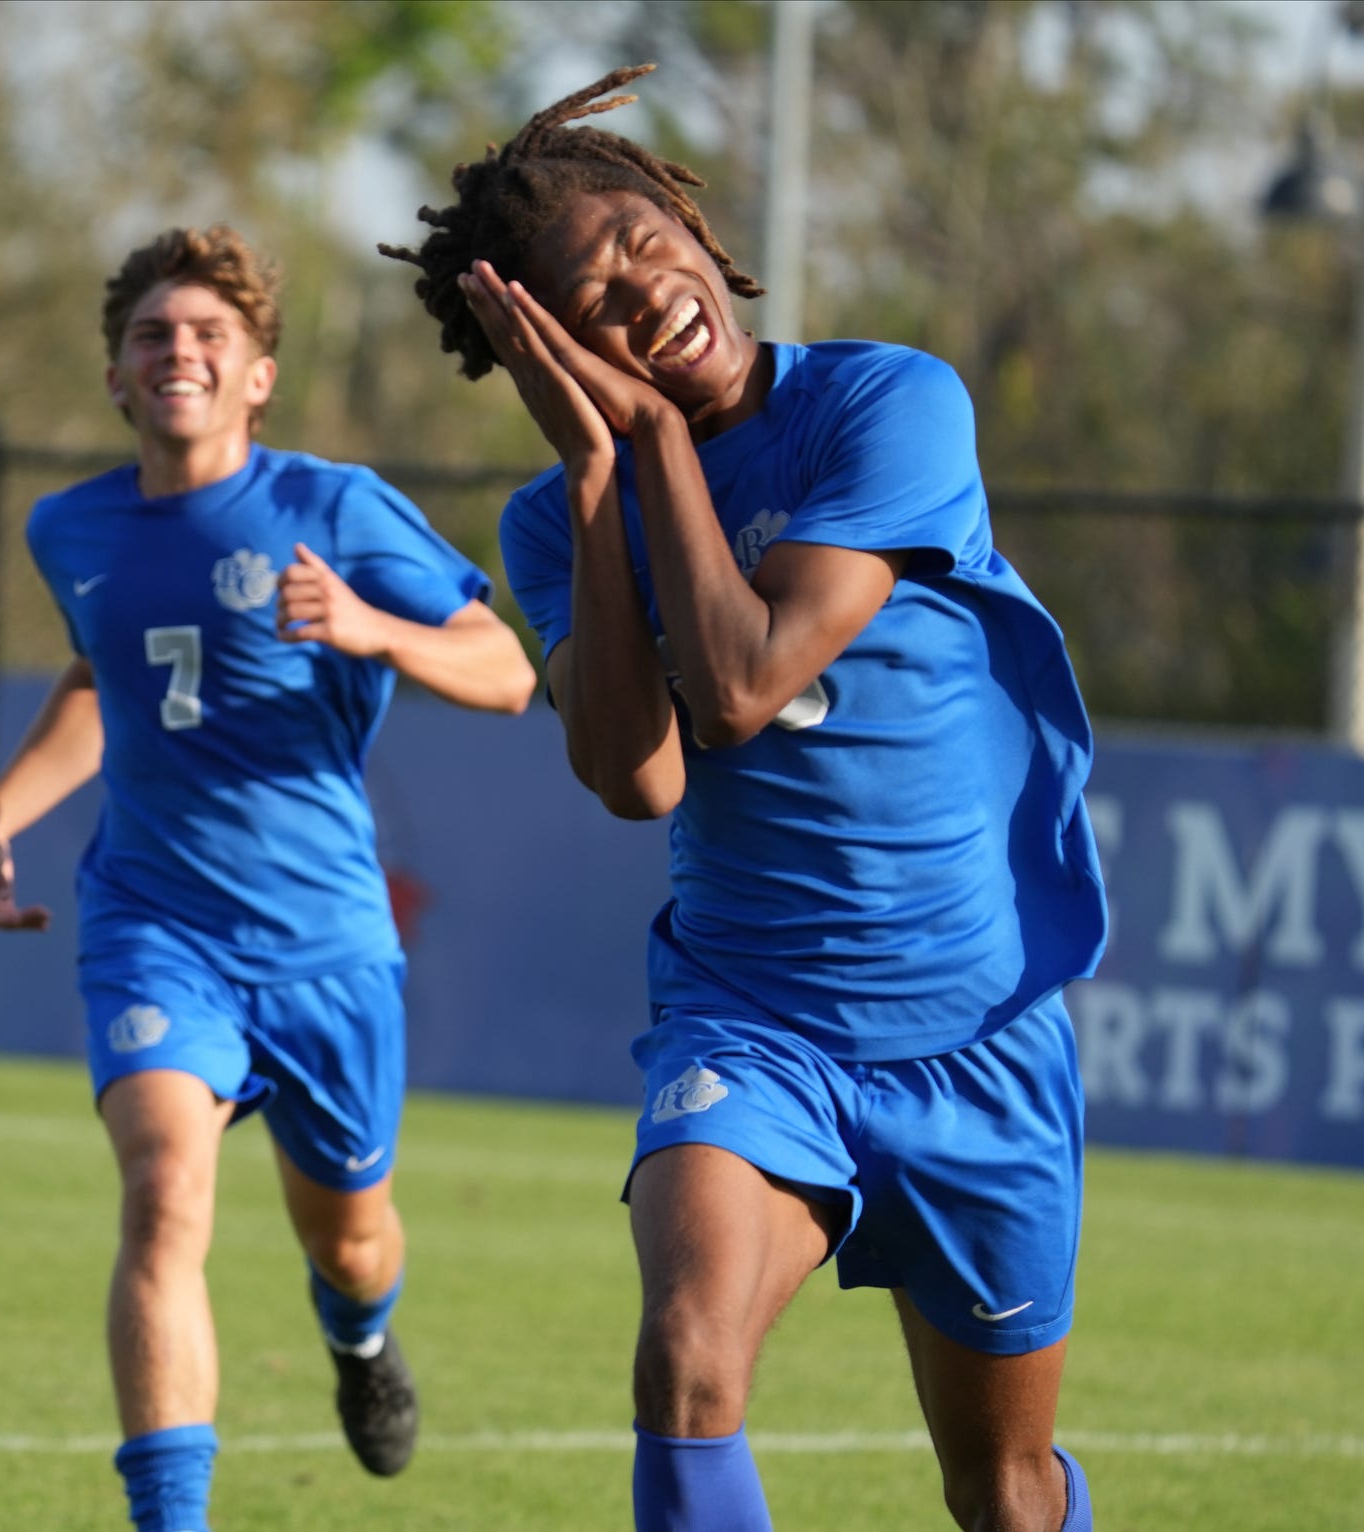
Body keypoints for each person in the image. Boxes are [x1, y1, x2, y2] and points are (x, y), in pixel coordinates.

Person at [382, 65, 1107, 1532]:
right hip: (755, 1018)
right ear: (554, 355)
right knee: (686, 1360)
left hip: (976, 1028)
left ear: (700, 229)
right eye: (593, 302)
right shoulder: (550, 520)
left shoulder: (885, 403)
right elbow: (637, 776)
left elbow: (738, 684)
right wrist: (600, 477)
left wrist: (653, 448)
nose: (644, 295)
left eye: (649, 245)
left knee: (1007, 1489)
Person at [0, 223, 536, 1532]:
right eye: (153, 335)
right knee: (165, 1197)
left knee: (351, 1238)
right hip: (156, 929)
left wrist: (374, 625)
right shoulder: (73, 529)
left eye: (209, 335)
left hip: (327, 946)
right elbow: (108, 677)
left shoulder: (332, 508)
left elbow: (505, 671)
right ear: (115, 374)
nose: (180, 353)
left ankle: (360, 1336)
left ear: (258, 373)